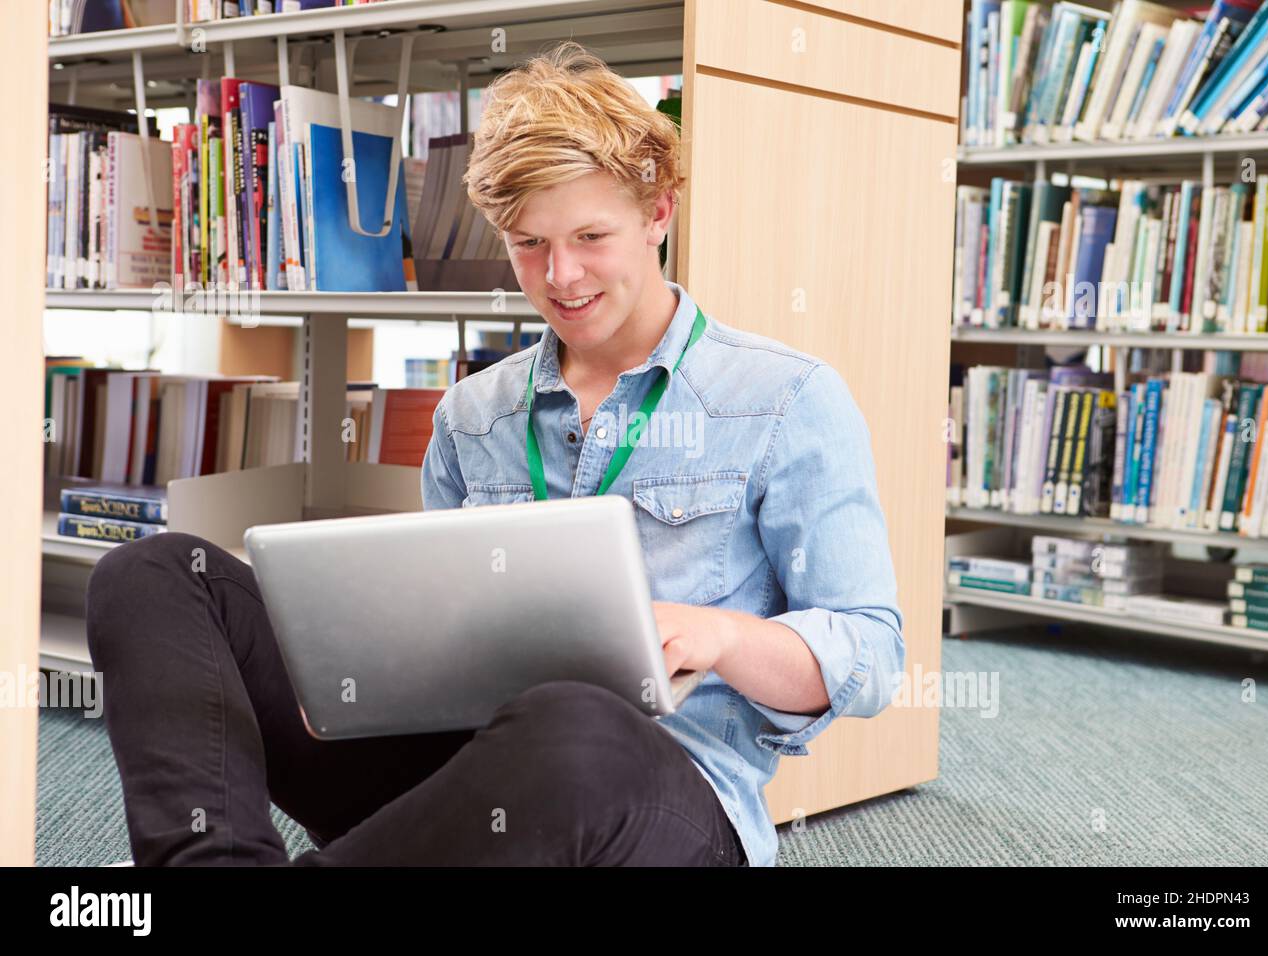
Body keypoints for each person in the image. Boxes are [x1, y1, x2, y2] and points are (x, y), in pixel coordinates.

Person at [85, 40, 904, 868]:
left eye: (591, 235)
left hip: (659, 797)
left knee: (575, 721)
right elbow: (438, 638)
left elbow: (872, 659)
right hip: (460, 784)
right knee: (152, 574)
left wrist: (721, 637)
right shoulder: (473, 414)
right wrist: (354, 675)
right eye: (527, 244)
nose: (562, 276)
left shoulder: (786, 398)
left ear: (659, 212)